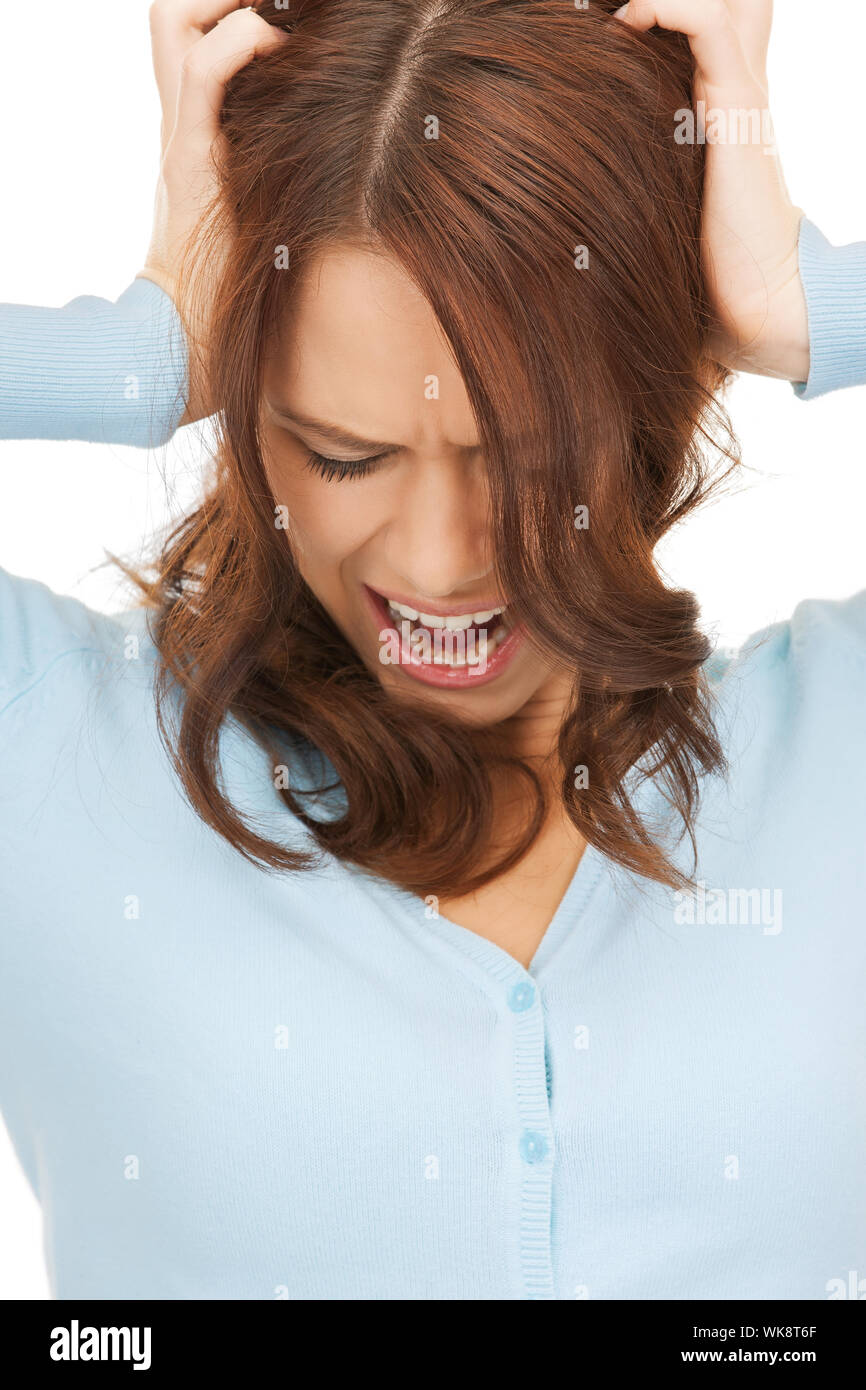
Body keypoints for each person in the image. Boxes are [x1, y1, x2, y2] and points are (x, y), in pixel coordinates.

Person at [0, 0, 864, 1300]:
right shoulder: (47, 751)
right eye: (345, 455)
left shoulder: (833, 752)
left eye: (526, 464)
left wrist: (807, 303)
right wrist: (119, 359)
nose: (442, 557)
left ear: (666, 398)